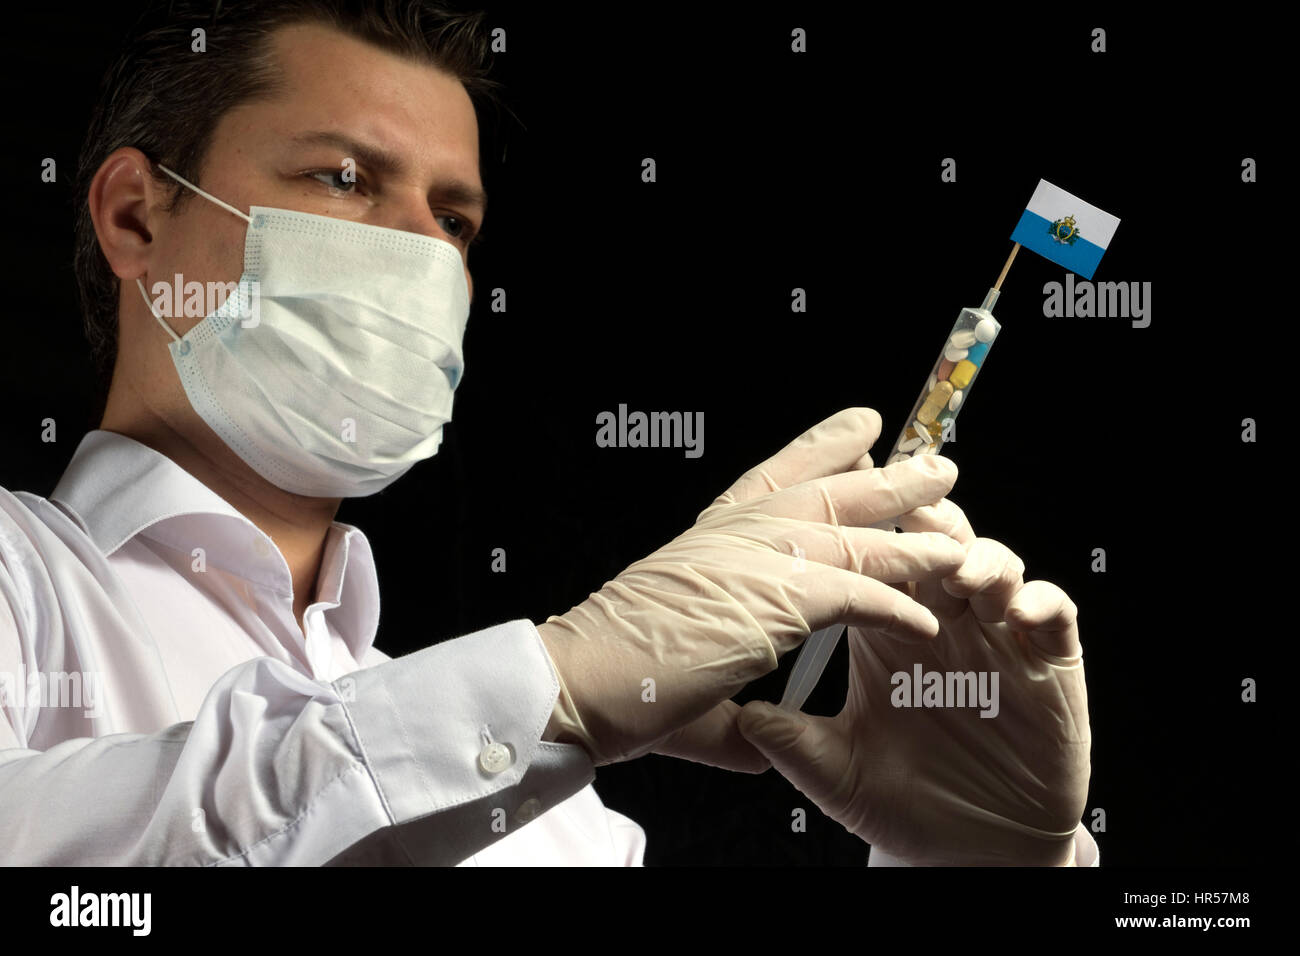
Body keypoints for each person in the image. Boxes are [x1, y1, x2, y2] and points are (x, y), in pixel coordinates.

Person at [0, 0, 1095, 866]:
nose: (423, 256)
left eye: (454, 219)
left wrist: (989, 862)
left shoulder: (547, 816)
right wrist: (554, 684)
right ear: (139, 216)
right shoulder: (20, 579)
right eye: (344, 177)